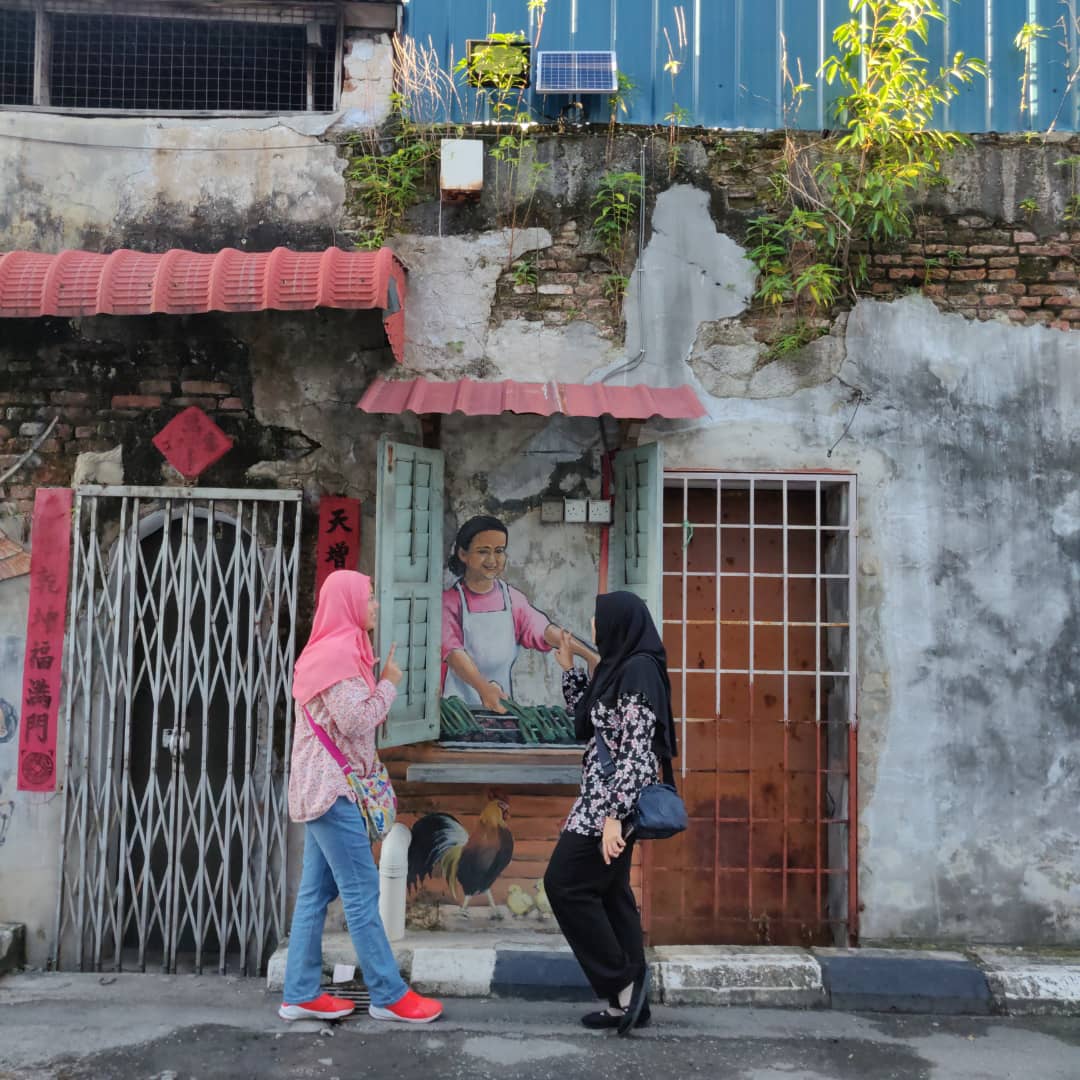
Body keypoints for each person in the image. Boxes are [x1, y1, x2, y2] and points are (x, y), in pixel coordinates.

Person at [279, 570, 443, 1024]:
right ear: (349, 603)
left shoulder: (337, 651)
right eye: (369, 597)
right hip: (334, 792)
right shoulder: (337, 656)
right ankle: (389, 994)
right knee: (360, 891)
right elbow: (354, 722)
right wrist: (389, 682)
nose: (375, 605)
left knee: (314, 893)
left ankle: (300, 992)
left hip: (325, 789)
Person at [543, 591, 678, 1036]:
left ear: (620, 623)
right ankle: (629, 999)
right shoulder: (620, 668)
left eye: (599, 622)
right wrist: (571, 670)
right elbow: (587, 723)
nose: (595, 629)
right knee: (609, 890)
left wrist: (614, 817)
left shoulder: (639, 671)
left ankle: (620, 984)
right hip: (599, 804)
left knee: (564, 884)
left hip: (606, 809)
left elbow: (637, 755)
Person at [442, 515, 598, 713]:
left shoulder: (512, 598)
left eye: (499, 551)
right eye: (483, 551)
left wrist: (589, 656)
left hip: (501, 702)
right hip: (457, 709)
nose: (492, 560)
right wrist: (484, 689)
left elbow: (545, 631)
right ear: (463, 554)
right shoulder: (450, 601)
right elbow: (454, 653)